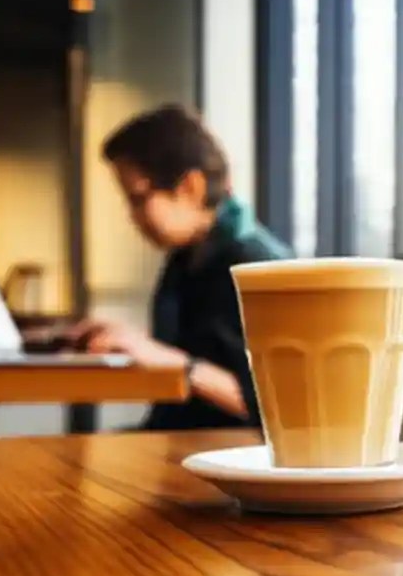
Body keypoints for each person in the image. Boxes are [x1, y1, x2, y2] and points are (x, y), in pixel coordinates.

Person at [67, 105, 291, 430]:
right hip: (181, 439)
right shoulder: (189, 257)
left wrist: (170, 360)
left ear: (190, 187)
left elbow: (269, 404)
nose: (133, 216)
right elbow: (204, 344)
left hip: (224, 451)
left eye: (139, 198)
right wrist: (132, 340)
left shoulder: (256, 266)